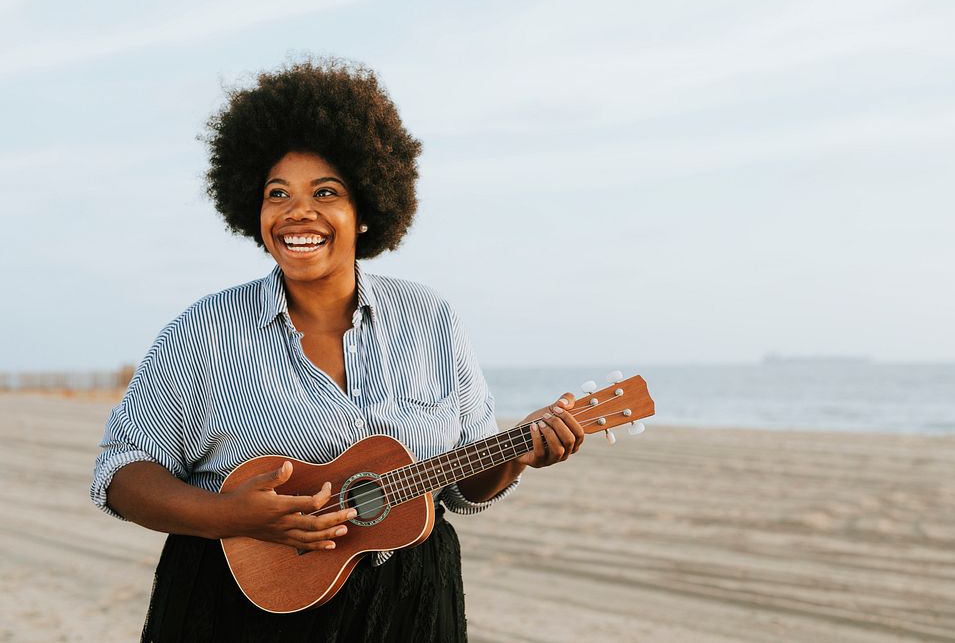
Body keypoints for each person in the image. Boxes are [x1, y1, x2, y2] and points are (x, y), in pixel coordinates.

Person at [90, 58, 585, 642]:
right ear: (255, 211)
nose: (298, 211)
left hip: (410, 604)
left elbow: (460, 486)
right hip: (245, 603)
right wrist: (230, 515)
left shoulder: (430, 320)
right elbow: (120, 474)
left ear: (366, 211)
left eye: (326, 192)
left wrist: (515, 456)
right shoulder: (201, 331)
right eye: (278, 194)